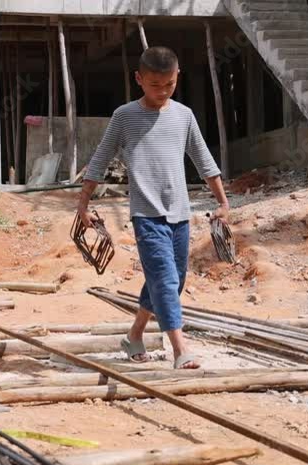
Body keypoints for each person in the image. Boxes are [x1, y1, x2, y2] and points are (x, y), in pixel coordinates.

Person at [77, 46, 230, 370]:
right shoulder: (125, 117)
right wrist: (83, 205)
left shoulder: (184, 115)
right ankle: (180, 349)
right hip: (146, 215)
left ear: (177, 78)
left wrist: (223, 202)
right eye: (155, 85)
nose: (162, 92)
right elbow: (100, 159)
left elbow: (203, 160)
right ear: (139, 79)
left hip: (180, 214)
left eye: (169, 85)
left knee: (172, 279)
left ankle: (134, 335)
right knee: (163, 280)